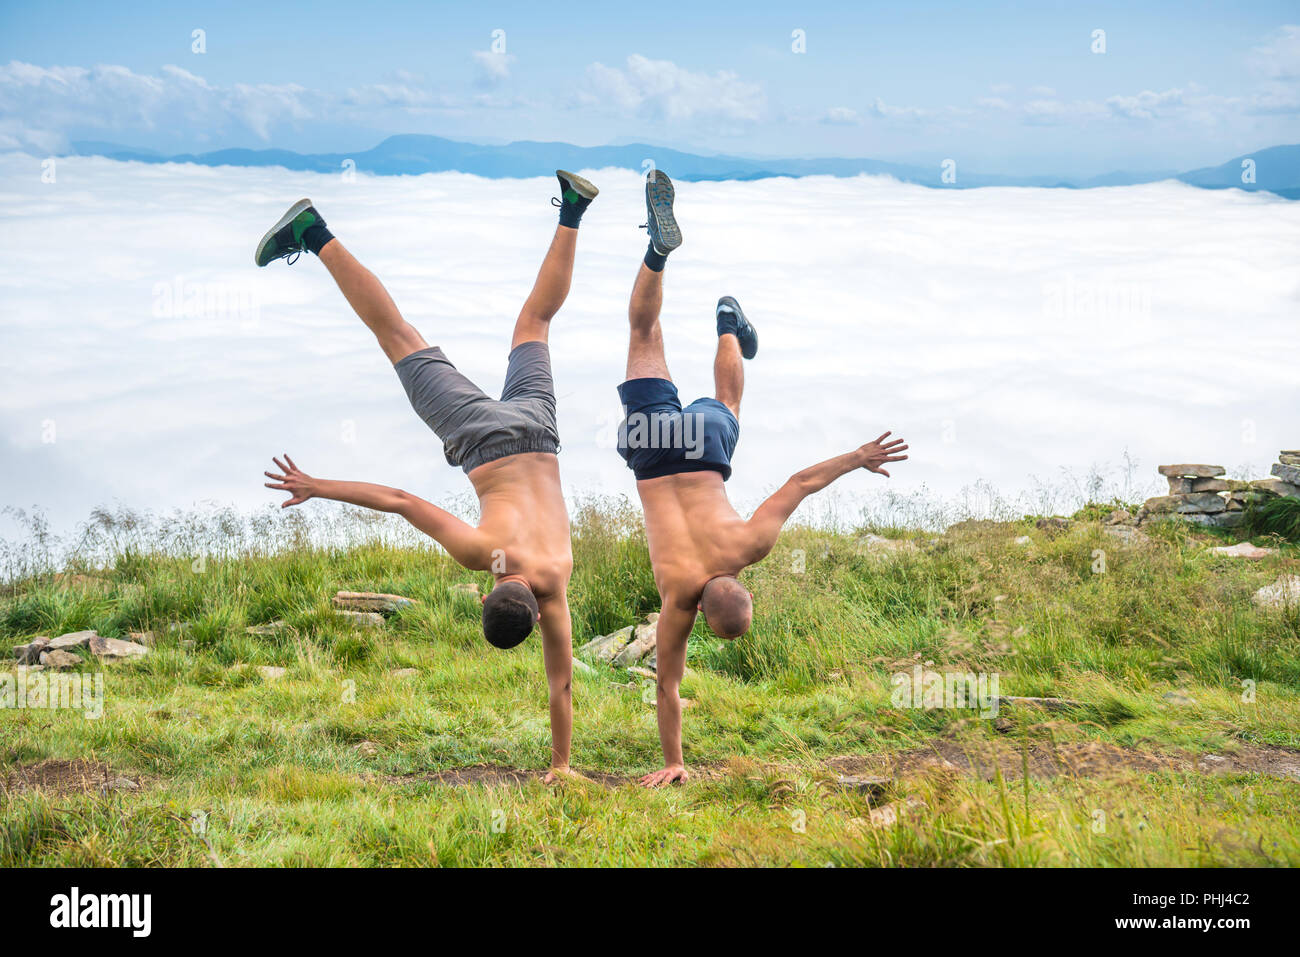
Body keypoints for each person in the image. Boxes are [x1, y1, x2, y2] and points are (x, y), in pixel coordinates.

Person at [255, 171, 601, 783]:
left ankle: (573, 210)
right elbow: (399, 499)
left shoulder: (558, 581)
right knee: (398, 337)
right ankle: (314, 233)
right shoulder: (482, 554)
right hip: (479, 438)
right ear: (490, 595)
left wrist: (563, 764)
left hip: (540, 430)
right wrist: (316, 486)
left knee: (536, 321)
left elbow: (563, 683)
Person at [617, 171, 910, 786]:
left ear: (745, 588)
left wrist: (858, 456)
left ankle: (727, 321)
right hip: (649, 453)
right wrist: (674, 762)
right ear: (703, 613)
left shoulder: (749, 548)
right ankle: (656, 252)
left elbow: (799, 483)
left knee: (729, 399)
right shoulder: (676, 601)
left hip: (703, 451)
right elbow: (667, 686)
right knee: (644, 334)